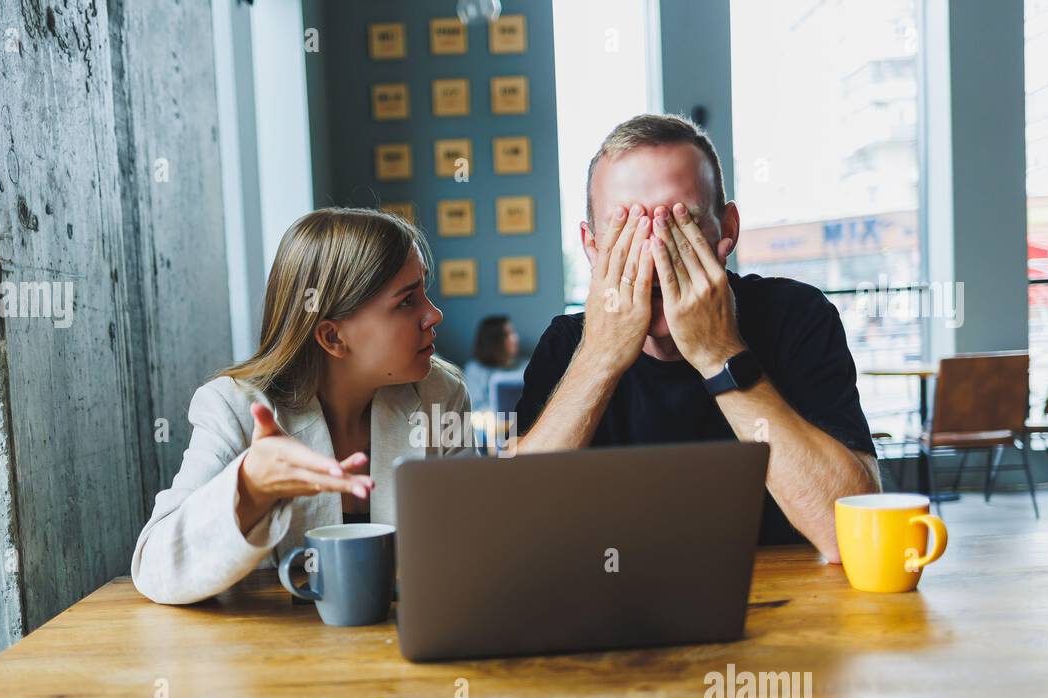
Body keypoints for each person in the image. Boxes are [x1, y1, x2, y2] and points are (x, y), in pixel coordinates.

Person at [513, 113, 881, 563]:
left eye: (679, 222)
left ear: (728, 229)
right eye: (627, 230)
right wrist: (600, 357)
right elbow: (512, 533)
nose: (656, 255)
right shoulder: (565, 346)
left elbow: (851, 532)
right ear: (591, 246)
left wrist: (719, 354)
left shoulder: (797, 317)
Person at [132, 208, 472, 605]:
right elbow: (155, 568)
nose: (434, 314)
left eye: (424, 292)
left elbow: (477, 543)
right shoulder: (233, 408)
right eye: (406, 301)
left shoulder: (440, 395)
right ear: (333, 336)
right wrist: (251, 487)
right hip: (274, 657)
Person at [464, 315, 523, 414]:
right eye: (507, 334)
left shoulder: (525, 366)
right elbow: (475, 409)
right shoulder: (474, 371)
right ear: (493, 341)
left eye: (513, 332)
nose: (515, 338)